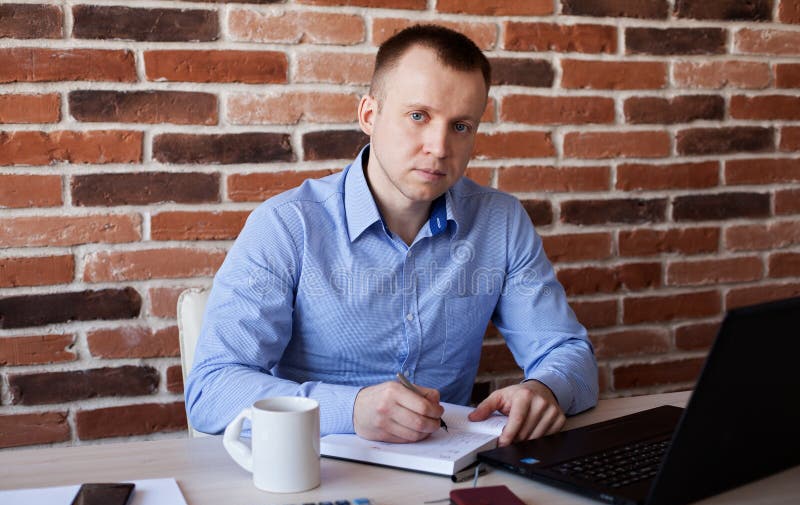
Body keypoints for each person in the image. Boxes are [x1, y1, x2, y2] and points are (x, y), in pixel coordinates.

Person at [186, 24, 598, 447]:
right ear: (369, 115)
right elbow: (211, 390)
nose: (439, 147)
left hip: (449, 473)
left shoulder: (501, 222)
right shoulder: (287, 225)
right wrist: (351, 410)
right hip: (316, 470)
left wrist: (545, 390)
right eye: (418, 116)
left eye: (461, 126)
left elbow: (570, 356)